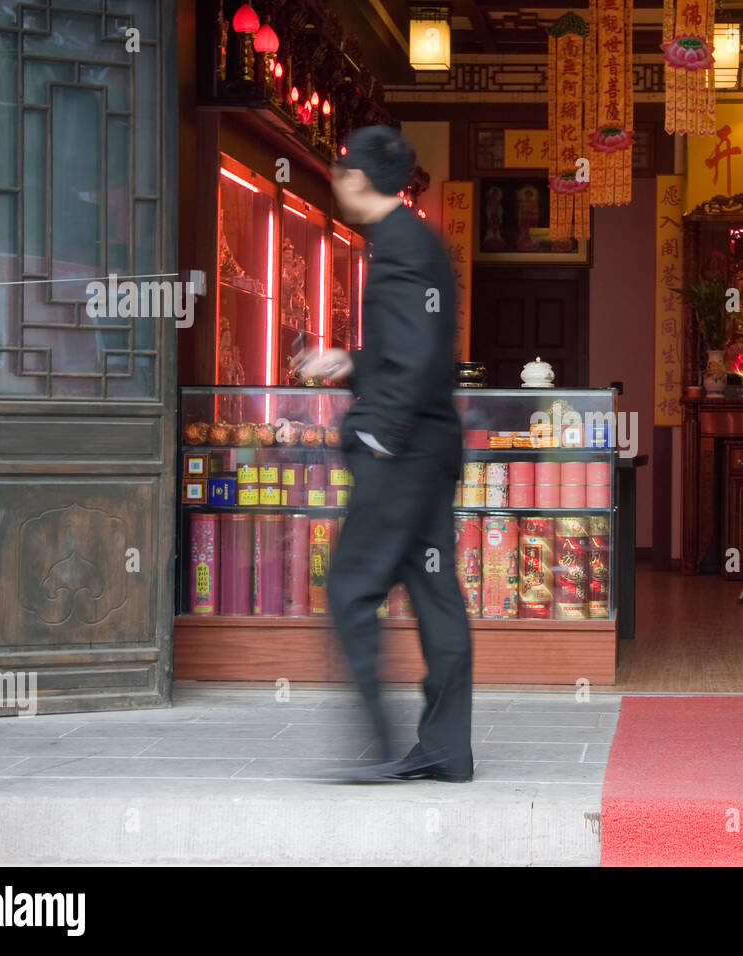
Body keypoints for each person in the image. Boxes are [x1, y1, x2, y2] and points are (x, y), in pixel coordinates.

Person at [295, 125, 473, 783]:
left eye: (339, 173)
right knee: (433, 594)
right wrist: (351, 361)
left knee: (349, 587)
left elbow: (423, 357)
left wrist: (379, 435)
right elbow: (411, 348)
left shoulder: (399, 248)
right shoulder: (413, 242)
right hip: (428, 449)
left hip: (400, 454)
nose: (337, 182)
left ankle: (377, 744)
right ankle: (446, 751)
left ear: (357, 180)